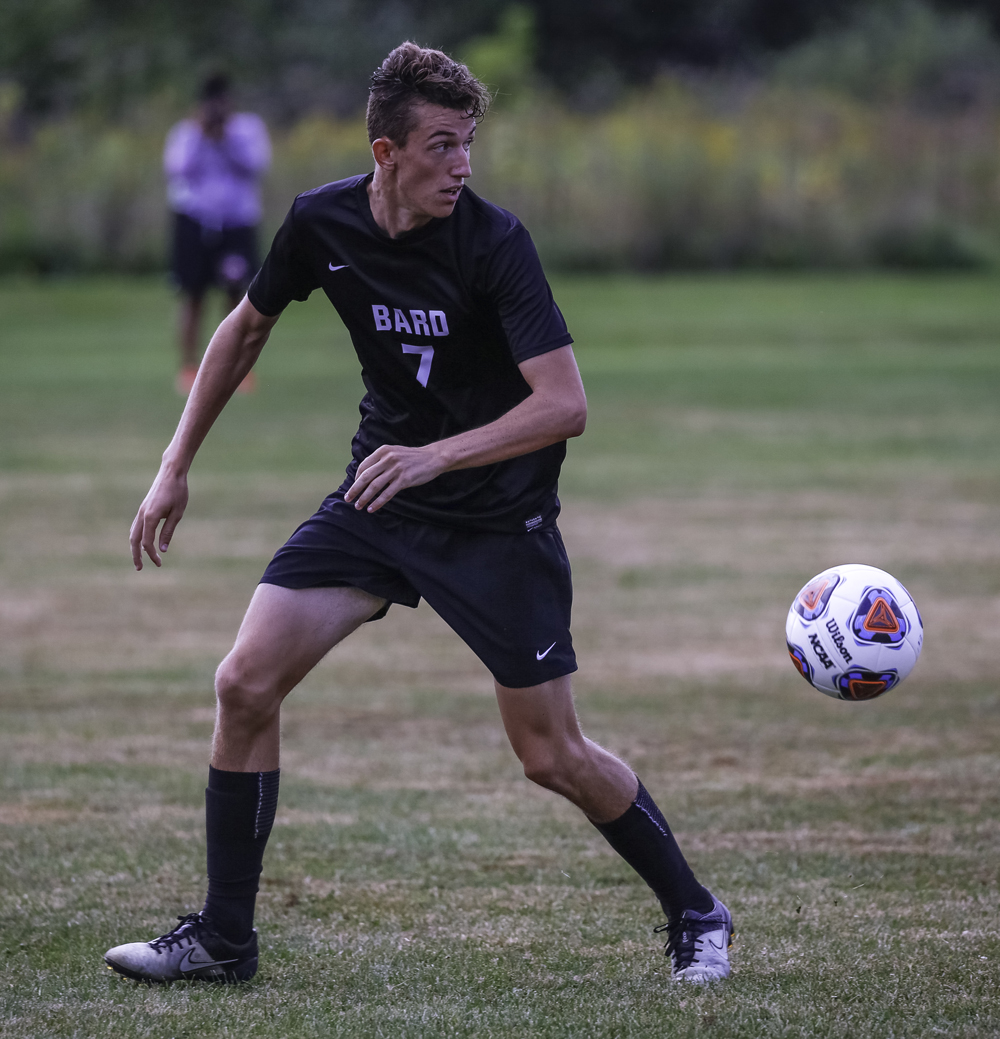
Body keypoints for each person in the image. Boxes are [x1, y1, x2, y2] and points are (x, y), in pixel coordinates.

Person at [106, 42, 734, 986]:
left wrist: (435, 455)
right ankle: (225, 939)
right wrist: (173, 464)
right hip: (379, 503)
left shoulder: (494, 243)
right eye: (442, 146)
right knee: (243, 684)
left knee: (550, 752)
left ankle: (697, 912)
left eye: (469, 144)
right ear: (386, 152)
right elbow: (244, 325)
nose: (462, 165)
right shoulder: (323, 222)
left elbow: (565, 404)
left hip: (495, 521)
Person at [164, 73, 271, 395]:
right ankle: (189, 368)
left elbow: (256, 166)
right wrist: (202, 135)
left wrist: (225, 140)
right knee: (192, 295)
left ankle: (238, 370)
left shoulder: (247, 130)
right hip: (195, 222)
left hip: (237, 223)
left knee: (237, 297)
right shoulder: (186, 133)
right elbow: (178, 170)